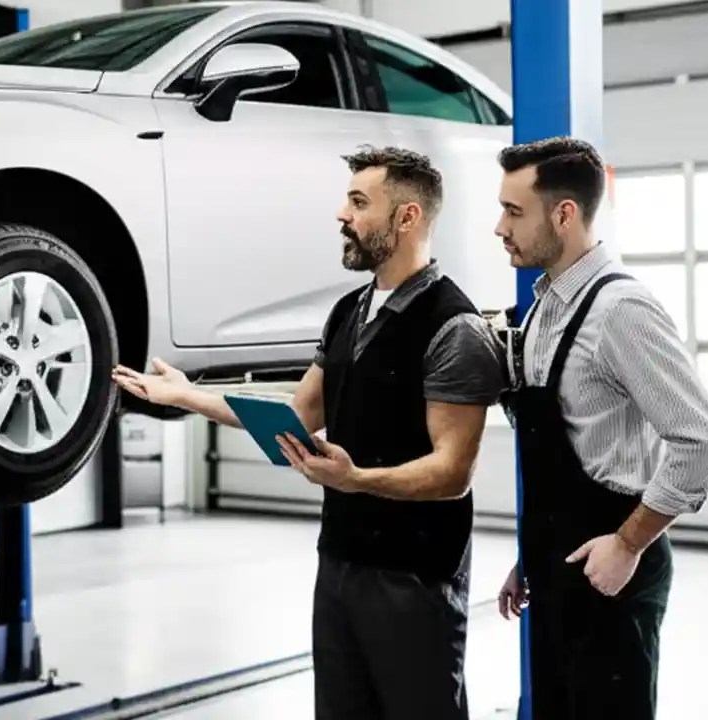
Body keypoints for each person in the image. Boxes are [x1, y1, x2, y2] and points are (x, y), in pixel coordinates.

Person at [112, 145, 506, 720]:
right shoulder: (348, 311)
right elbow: (298, 418)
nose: (341, 215)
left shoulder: (453, 327)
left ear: (407, 218)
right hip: (340, 564)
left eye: (358, 202)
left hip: (415, 578)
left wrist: (356, 479)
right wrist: (187, 395)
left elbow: (453, 473)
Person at [492, 136, 708, 720]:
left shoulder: (620, 310)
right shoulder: (548, 303)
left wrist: (628, 544)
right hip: (557, 568)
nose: (500, 227)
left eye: (514, 211)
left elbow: (702, 440)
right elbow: (567, 440)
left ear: (564, 214)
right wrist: (533, 554)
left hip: (614, 573)